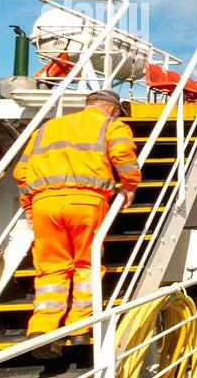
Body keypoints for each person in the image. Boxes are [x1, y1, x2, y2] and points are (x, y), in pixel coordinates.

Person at [13, 90, 140, 355]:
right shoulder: (111, 124)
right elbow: (123, 155)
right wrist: (129, 187)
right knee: (86, 265)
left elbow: (21, 172)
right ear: (113, 109)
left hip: (43, 204)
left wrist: (28, 207)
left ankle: (43, 329)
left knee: (50, 271)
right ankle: (81, 328)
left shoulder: (48, 128)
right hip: (85, 201)